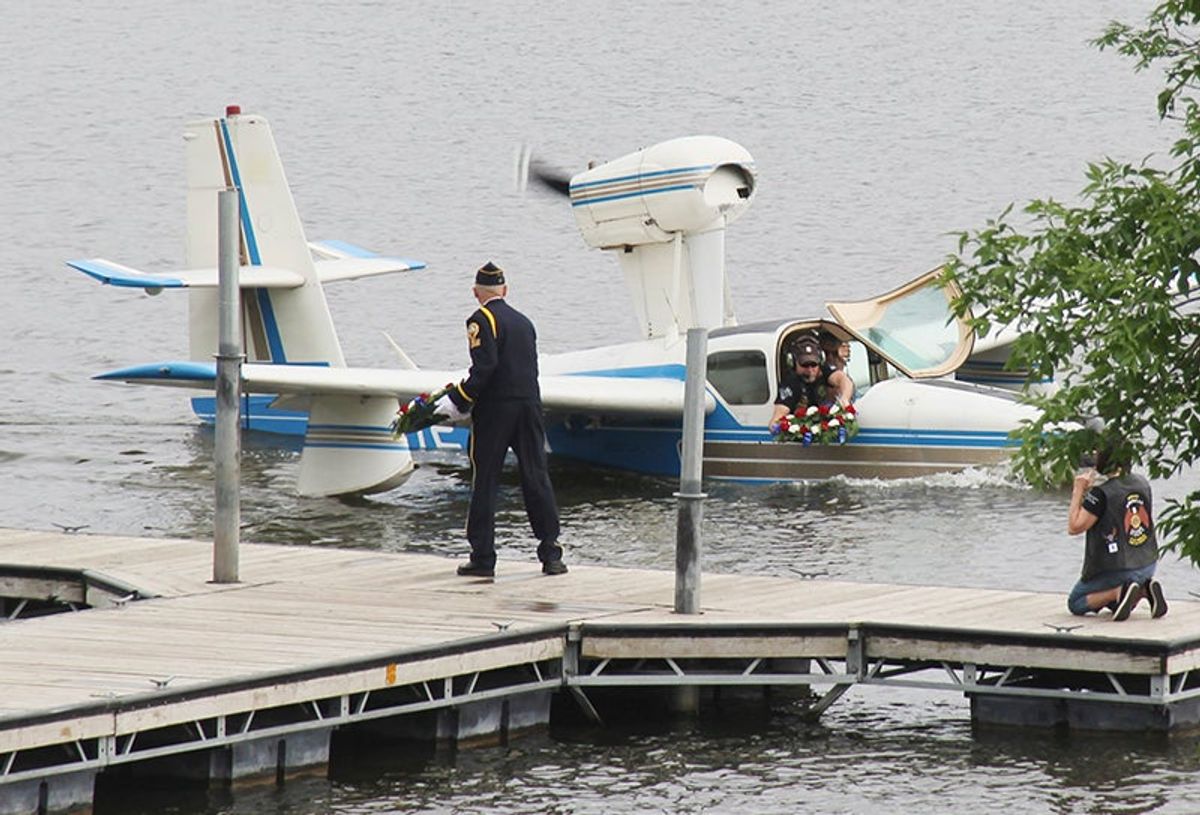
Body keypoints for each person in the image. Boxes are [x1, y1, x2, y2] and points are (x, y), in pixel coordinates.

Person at [434, 261, 567, 578]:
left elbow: (485, 368)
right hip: (530, 407)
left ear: (476, 293)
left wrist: (459, 400)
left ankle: (483, 557)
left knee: (485, 480)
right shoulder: (525, 322)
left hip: (496, 411)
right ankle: (551, 554)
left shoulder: (481, 320)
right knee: (536, 476)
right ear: (505, 290)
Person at [1066, 436, 1166, 620]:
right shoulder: (1142, 482)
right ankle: (1143, 590)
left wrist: (1078, 490)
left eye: (1097, 453)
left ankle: (1120, 591)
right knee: (1114, 605)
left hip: (1118, 568)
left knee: (1076, 602)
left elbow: (1074, 527)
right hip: (1148, 563)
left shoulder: (1100, 493)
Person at [770, 332, 855, 430]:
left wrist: (845, 399)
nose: (810, 370)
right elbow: (776, 420)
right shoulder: (790, 383)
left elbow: (843, 379)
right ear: (793, 362)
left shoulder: (823, 371)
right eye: (804, 365)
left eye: (814, 364)